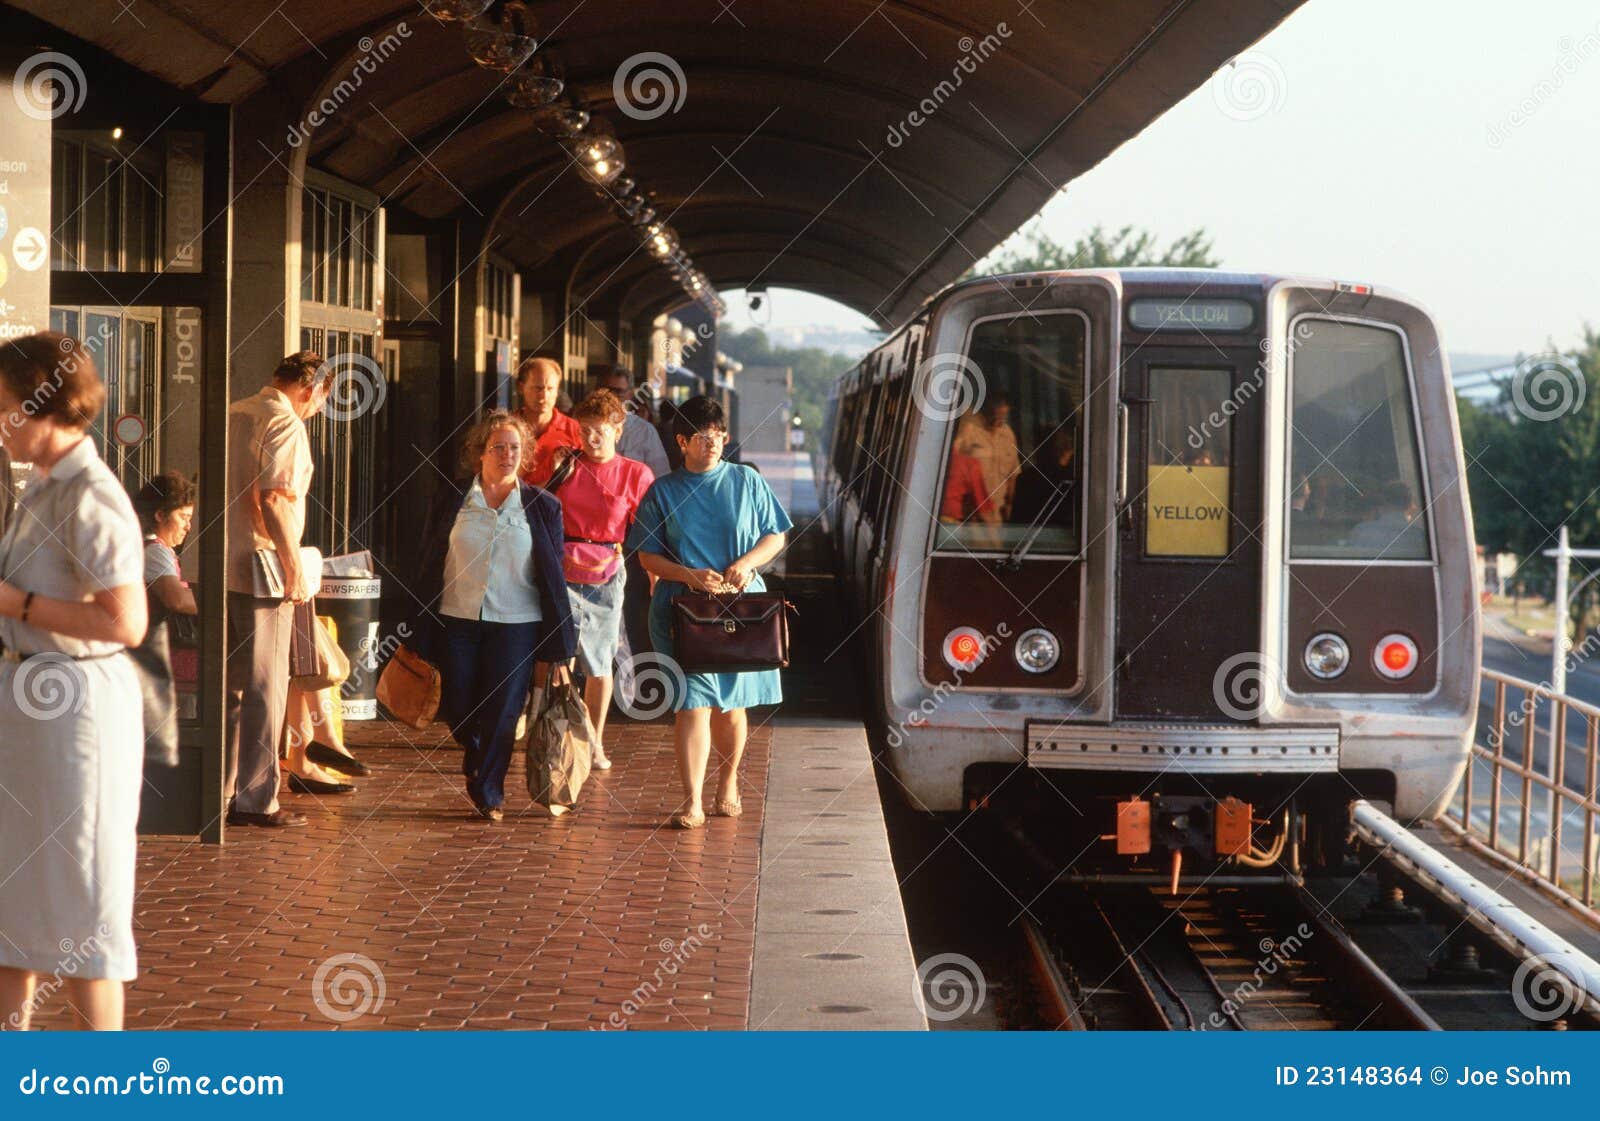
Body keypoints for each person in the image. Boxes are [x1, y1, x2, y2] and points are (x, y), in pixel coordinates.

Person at [0, 332, 148, 1030]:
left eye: (6, 409)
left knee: (88, 904)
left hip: (79, 714)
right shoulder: (40, 490)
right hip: (33, 708)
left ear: (45, 406)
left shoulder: (92, 494)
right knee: (14, 905)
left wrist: (13, 604)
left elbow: (127, 621)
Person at [626, 396, 792, 829]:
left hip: (741, 609)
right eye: (702, 436)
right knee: (691, 704)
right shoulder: (663, 491)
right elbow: (647, 557)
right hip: (685, 610)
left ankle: (728, 782)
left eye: (718, 435)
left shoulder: (747, 481)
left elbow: (776, 536)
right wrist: (689, 574)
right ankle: (692, 799)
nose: (712, 442)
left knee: (732, 706)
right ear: (681, 441)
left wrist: (747, 563)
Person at [412, 410, 576, 821]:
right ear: (479, 453)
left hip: (517, 623)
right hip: (458, 618)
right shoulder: (452, 498)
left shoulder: (543, 507)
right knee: (460, 706)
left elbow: (554, 575)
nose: (506, 455)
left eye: (514, 449)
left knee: (504, 709)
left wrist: (560, 642)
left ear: (524, 457)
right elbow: (428, 558)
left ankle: (490, 792)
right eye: (497, 447)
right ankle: (477, 751)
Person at [224, 351, 330, 829]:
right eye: (321, 400)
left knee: (225, 686)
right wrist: (294, 567)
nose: (318, 410)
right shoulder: (286, 424)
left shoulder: (235, 410)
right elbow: (273, 498)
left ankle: (219, 787)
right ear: (310, 390)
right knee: (266, 685)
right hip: (257, 569)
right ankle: (256, 798)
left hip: (214, 567)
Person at [556, 389, 654, 769]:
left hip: (607, 571)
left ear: (618, 428)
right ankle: (563, 732)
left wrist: (653, 575)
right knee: (559, 659)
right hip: (562, 567)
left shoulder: (635, 474)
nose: (591, 439)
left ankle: (595, 740)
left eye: (599, 430)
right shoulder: (565, 466)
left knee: (599, 661)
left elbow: (647, 531)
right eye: (584, 431)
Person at [134, 471, 199, 721]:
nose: (188, 526)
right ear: (160, 515)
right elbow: (176, 600)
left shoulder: (156, 550)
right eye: (183, 517)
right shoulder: (156, 553)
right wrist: (216, 602)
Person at [593, 365, 671, 479]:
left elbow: (661, 477)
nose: (612, 397)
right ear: (598, 391)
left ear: (630, 394)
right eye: (608, 390)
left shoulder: (645, 431)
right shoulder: (585, 428)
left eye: (619, 391)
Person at [516, 356, 582, 487]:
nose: (544, 396)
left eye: (550, 389)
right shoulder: (504, 429)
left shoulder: (575, 430)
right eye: (538, 388)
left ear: (557, 391)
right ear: (521, 387)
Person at [954, 395, 1020, 520]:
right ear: (986, 408)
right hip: (971, 513)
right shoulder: (968, 430)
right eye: (994, 415)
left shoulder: (1008, 434)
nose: (998, 421)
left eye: (1002, 417)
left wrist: (1010, 504)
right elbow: (954, 467)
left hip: (997, 513)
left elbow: (1013, 474)